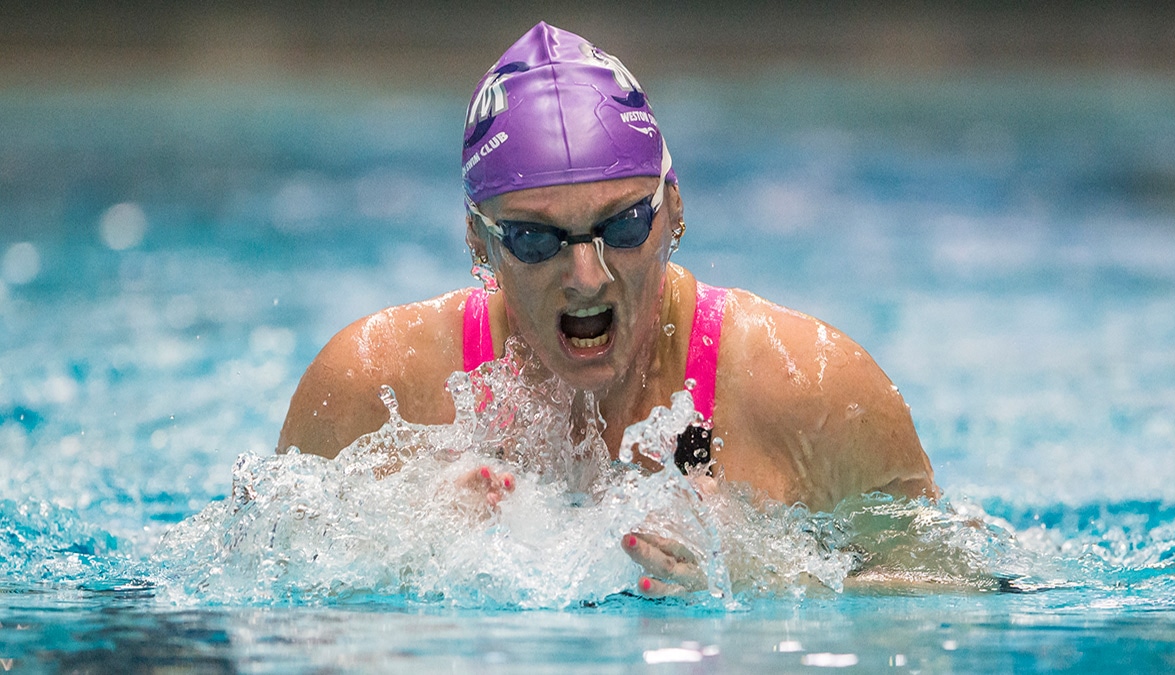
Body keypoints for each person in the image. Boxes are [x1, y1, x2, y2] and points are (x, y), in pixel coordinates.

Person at [278, 22, 937, 596]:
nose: (587, 277)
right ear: (478, 238)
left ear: (673, 209)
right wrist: (404, 550)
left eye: (622, 226)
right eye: (535, 239)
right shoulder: (371, 388)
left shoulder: (815, 392)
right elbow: (263, 596)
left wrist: (764, 572)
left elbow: (958, 596)